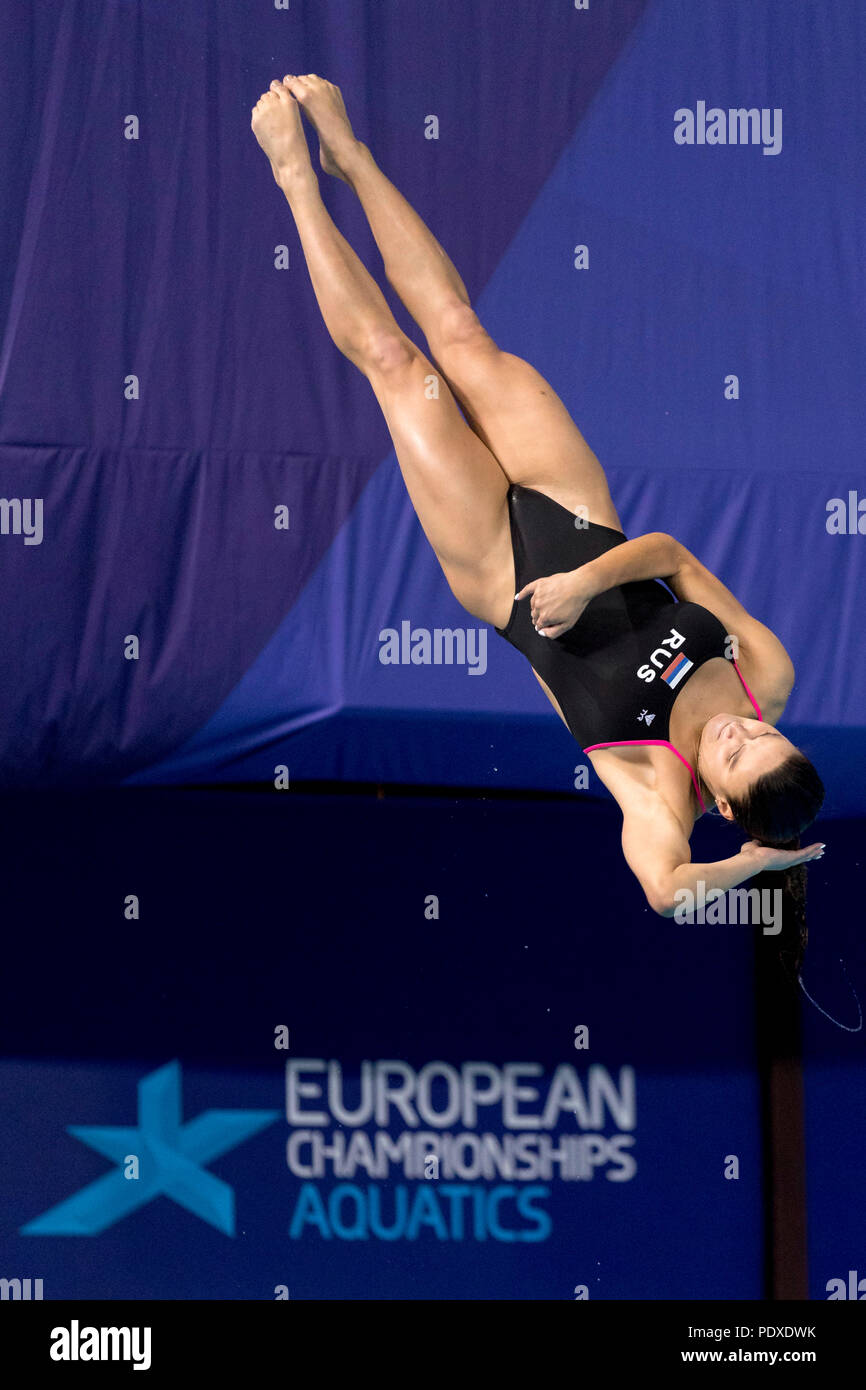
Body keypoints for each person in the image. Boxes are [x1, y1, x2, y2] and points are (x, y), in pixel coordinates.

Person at [250, 74, 824, 965]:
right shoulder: (767, 675)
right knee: (461, 334)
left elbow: (668, 893)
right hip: (583, 515)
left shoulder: (656, 795)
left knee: (399, 367)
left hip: (497, 572)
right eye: (764, 733)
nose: (740, 729)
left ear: (724, 799)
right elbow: (671, 555)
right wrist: (592, 576)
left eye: (738, 754)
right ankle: (349, 154)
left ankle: (293, 177)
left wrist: (753, 868)